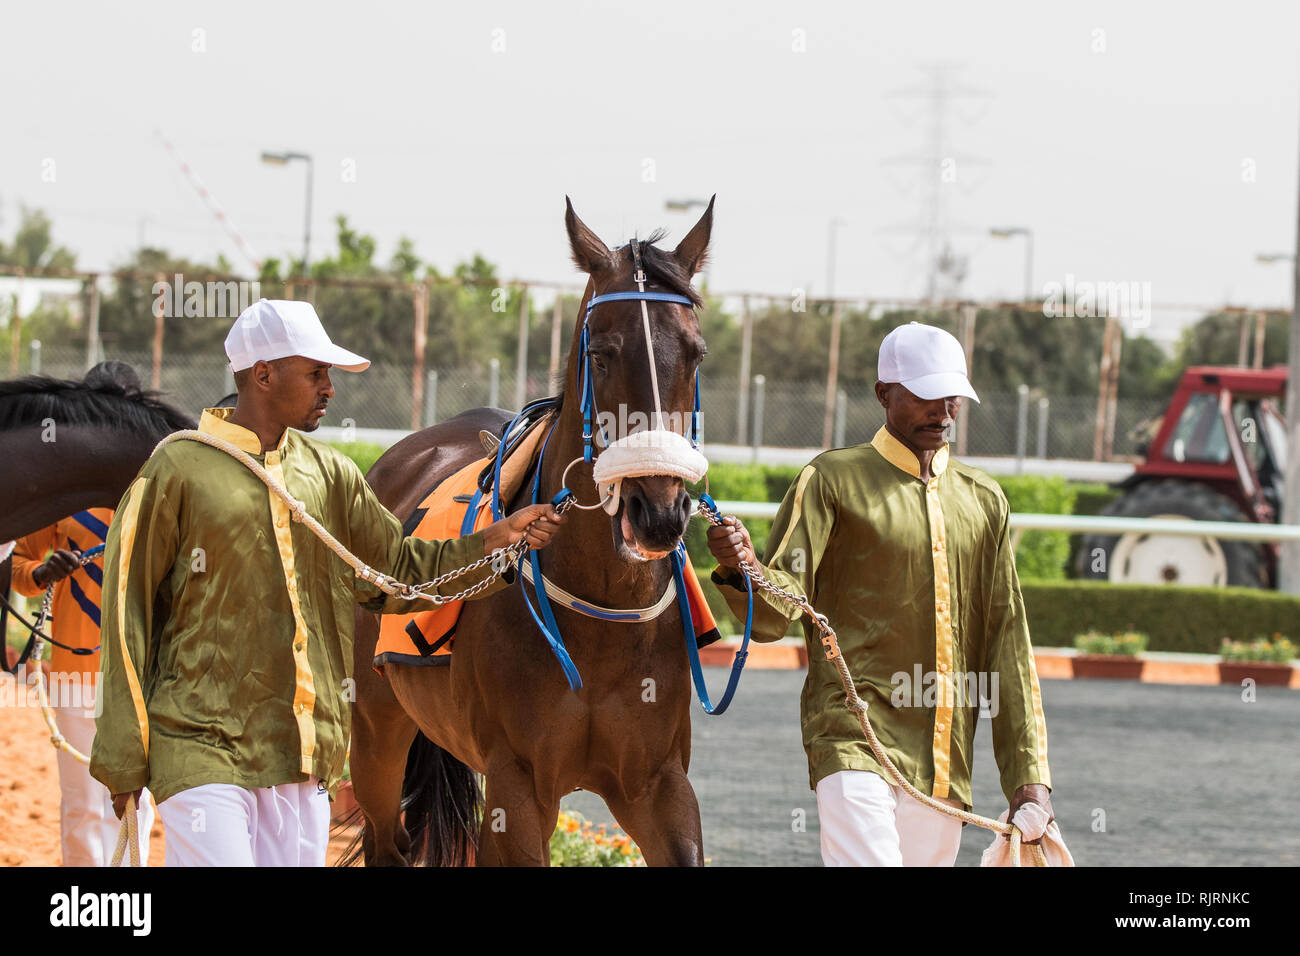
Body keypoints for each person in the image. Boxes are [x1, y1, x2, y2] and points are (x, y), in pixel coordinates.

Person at [90, 298, 565, 867]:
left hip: (304, 752)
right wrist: (123, 755)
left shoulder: (331, 475)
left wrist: (496, 543)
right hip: (199, 750)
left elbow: (396, 573)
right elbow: (126, 613)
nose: (329, 388)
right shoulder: (175, 470)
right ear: (263, 373)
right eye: (316, 372)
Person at [707, 321, 1053, 867]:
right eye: (922, 395)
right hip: (851, 735)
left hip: (944, 758)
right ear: (883, 394)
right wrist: (742, 566)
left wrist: (1030, 779)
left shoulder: (985, 501)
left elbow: (1008, 642)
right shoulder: (830, 481)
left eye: (951, 397)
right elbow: (775, 615)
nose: (940, 412)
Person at [11, 361, 157, 866]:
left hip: (144, 674)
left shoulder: (159, 489)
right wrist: (45, 573)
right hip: (74, 674)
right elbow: (20, 567)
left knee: (140, 801)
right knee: (82, 802)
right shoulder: (63, 493)